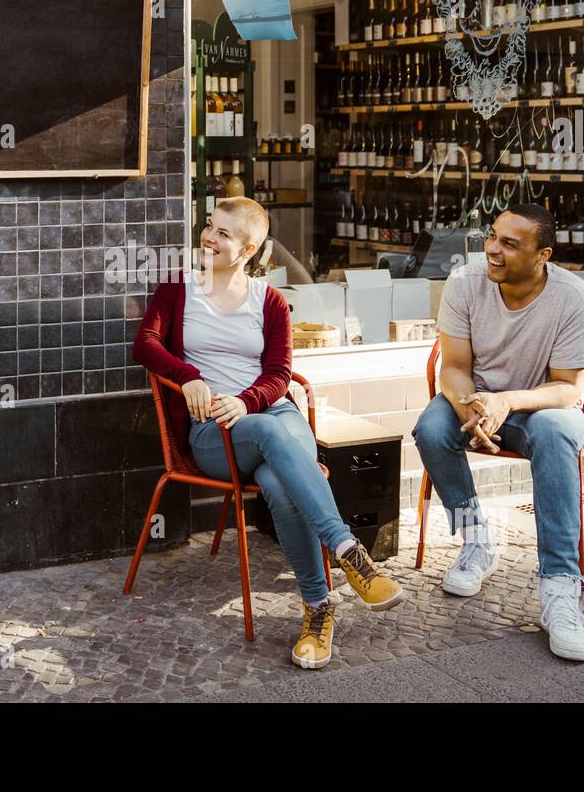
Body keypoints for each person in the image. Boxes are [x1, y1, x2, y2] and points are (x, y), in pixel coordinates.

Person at [133, 197, 404, 669]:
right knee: (267, 438)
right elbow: (146, 343)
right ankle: (347, 550)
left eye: (223, 234)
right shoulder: (178, 289)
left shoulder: (270, 299)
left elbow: (280, 374)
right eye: (209, 227)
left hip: (272, 415)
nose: (208, 238)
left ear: (250, 248)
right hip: (214, 435)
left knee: (279, 483)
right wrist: (190, 375)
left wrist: (246, 400)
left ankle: (319, 611)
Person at [411, 203, 584, 661]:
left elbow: (567, 387)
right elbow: (453, 369)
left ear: (543, 255)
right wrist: (470, 407)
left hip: (540, 408)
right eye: (493, 236)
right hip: (476, 401)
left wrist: (507, 401)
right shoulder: (464, 283)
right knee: (431, 428)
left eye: (509, 244)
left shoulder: (574, 299)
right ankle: (476, 539)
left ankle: (559, 588)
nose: (493, 249)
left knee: (556, 432)